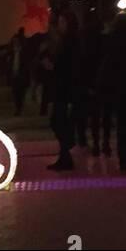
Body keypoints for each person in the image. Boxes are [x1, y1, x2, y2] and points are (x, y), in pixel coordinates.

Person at [97, 15, 126, 170]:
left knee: (122, 124)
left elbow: (106, 68)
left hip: (119, 90)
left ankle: (124, 155)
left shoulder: (111, 44)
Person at [45, 10, 79, 171]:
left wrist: (52, 67)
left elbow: (68, 68)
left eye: (62, 22)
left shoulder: (70, 43)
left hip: (65, 90)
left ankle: (66, 154)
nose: (60, 26)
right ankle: (65, 154)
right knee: (58, 121)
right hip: (63, 90)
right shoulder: (65, 42)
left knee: (60, 122)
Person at [78, 10, 112, 156]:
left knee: (95, 116)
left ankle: (97, 143)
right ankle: (105, 143)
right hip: (105, 82)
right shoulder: (105, 40)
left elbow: (84, 64)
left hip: (93, 83)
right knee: (106, 116)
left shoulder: (86, 42)